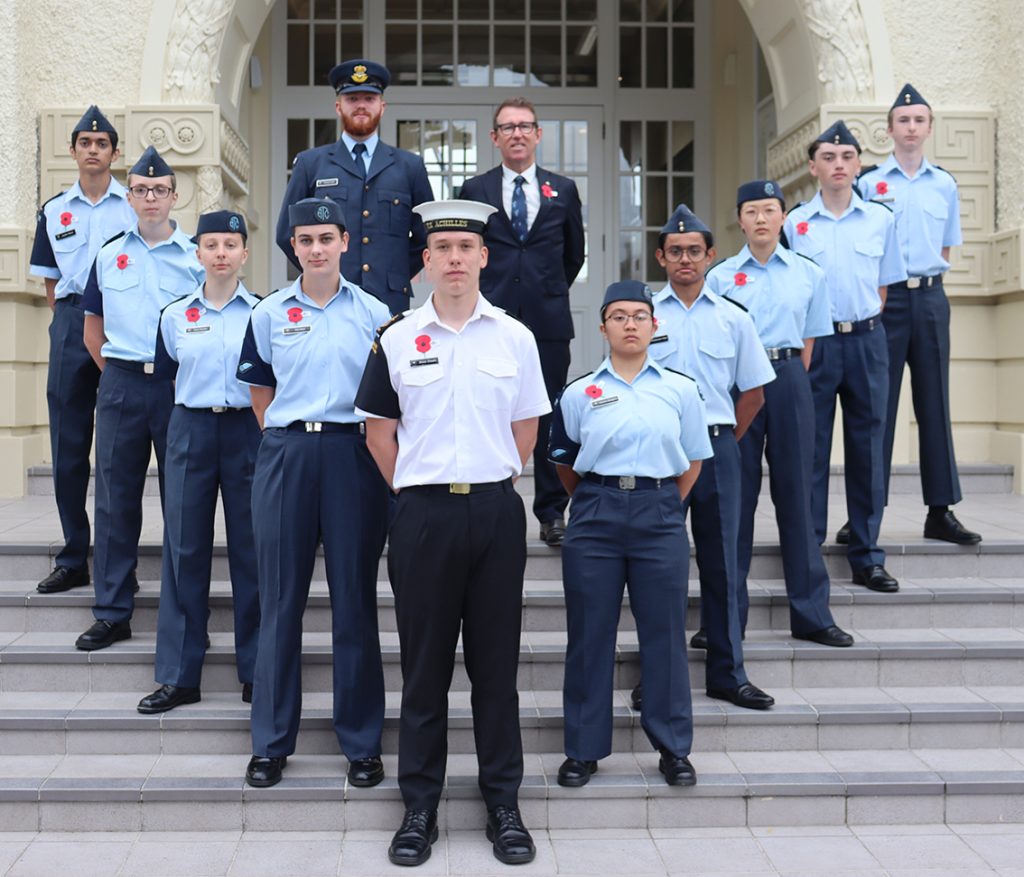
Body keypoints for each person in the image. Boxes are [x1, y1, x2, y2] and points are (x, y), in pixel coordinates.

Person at [355, 200, 550, 867]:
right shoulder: (397, 337)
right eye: (444, 249)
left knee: (496, 671)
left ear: (484, 257)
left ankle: (503, 805)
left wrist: (487, 478)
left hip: (494, 513)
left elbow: (526, 430)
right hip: (423, 518)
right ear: (427, 260)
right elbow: (379, 435)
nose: (456, 258)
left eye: (467, 247)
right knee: (424, 671)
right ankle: (419, 807)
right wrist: (417, 489)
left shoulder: (515, 338)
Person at [237, 196, 391, 790]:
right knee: (279, 600)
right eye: (306, 240)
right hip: (288, 454)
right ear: (294, 247)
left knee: (354, 600)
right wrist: (288, 440)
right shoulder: (269, 313)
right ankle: (271, 742)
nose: (317, 248)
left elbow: (387, 397)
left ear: (345, 243)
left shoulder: (375, 313)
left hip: (354, 457)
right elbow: (260, 392)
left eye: (327, 238)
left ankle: (362, 742)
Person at [548, 280, 712, 789]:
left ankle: (673, 748)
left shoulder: (680, 389)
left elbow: (694, 459)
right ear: (603, 329)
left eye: (639, 316)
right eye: (618, 316)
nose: (630, 325)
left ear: (654, 325)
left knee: (664, 635)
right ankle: (583, 750)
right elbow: (564, 462)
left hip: (658, 511)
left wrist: (662, 503)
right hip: (595, 511)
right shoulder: (580, 392)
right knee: (589, 634)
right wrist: (597, 499)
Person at [640, 204, 780, 703]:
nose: (685, 259)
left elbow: (753, 392)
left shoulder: (733, 318)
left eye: (694, 251)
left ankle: (728, 674)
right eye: (675, 251)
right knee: (660, 568)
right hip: (660, 452)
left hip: (718, 447)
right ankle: (658, 676)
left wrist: (722, 440)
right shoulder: (641, 316)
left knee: (723, 564)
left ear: (711, 256)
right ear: (661, 257)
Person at [706, 180, 854, 645]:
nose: (761, 219)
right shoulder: (721, 277)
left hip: (789, 378)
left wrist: (785, 378)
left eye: (770, 210)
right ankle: (725, 619)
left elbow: (809, 343)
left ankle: (811, 614)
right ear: (740, 220)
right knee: (736, 500)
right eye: (752, 211)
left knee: (798, 496)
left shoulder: (808, 274)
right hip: (739, 384)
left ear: (783, 217)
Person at [76, 146, 204, 651]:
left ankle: (185, 614)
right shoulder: (109, 254)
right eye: (142, 189)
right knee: (114, 501)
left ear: (174, 196)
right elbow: (92, 331)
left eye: (160, 189)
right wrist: (120, 377)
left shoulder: (196, 256)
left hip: (178, 390)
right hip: (123, 384)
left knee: (183, 503)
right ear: (129, 197)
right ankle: (112, 611)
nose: (151, 197)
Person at [137, 210, 261, 714]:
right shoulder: (174, 315)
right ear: (198, 253)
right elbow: (167, 377)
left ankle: (258, 670)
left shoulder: (263, 313)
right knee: (184, 549)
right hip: (190, 429)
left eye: (230, 245)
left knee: (253, 551)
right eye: (211, 245)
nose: (221, 254)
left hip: (247, 431)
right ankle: (179, 675)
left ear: (244, 253)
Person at [785, 121, 907, 594]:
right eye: (828, 158)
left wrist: (862, 325)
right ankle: (809, 549)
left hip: (866, 341)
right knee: (811, 448)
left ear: (858, 165)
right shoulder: (795, 223)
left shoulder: (880, 219)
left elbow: (884, 287)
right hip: (816, 344)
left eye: (847, 157)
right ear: (813, 167)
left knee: (868, 449)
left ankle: (866, 554)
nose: (838, 165)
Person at [857, 84, 981, 545]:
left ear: (929, 128)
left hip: (929, 299)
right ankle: (865, 512)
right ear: (889, 129)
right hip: (885, 302)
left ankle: (940, 511)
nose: (911, 128)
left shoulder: (944, 184)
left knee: (934, 403)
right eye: (903, 120)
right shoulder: (869, 183)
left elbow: (945, 248)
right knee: (878, 409)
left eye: (919, 120)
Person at [460, 97, 586, 547]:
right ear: (494, 137)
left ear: (538, 134)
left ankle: (551, 512)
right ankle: (489, 498)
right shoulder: (474, 189)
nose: (517, 133)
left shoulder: (563, 190)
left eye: (525, 126)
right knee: (487, 407)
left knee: (547, 414)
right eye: (507, 127)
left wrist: (543, 290)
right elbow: (466, 248)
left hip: (547, 323)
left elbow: (574, 255)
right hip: (489, 320)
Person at [29, 105, 134, 595]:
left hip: (122, 324)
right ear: (72, 151)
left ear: (115, 152)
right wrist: (73, 322)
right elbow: (51, 284)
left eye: (102, 143)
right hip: (72, 324)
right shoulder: (54, 211)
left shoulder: (131, 205)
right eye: (85, 143)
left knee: (118, 451)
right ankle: (74, 556)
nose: (93, 150)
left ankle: (117, 562)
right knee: (69, 447)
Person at [275, 58, 433, 314]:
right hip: (328, 297)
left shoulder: (409, 167)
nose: (361, 105)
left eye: (369, 99)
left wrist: (395, 272)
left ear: (382, 106)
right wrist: (319, 271)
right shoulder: (310, 163)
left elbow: (427, 236)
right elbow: (285, 232)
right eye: (352, 99)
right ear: (338, 106)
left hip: (388, 298)